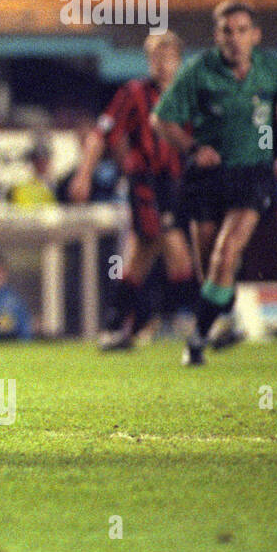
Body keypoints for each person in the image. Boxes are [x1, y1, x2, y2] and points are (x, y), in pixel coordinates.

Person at [152, 0, 277, 366]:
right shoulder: (198, 71)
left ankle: (197, 338)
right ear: (217, 36)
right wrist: (192, 147)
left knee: (226, 251)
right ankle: (226, 320)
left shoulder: (270, 70)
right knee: (210, 267)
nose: (235, 39)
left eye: (242, 30)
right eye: (227, 31)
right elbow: (162, 119)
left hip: (252, 173)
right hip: (206, 177)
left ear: (255, 34)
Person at [69, 32, 196, 351]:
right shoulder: (133, 92)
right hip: (146, 183)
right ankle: (205, 320)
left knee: (141, 255)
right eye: (155, 57)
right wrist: (84, 174)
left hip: (175, 184)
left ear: (179, 61)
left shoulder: (188, 97)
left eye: (168, 57)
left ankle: (114, 325)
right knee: (175, 248)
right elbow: (101, 133)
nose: (162, 64)